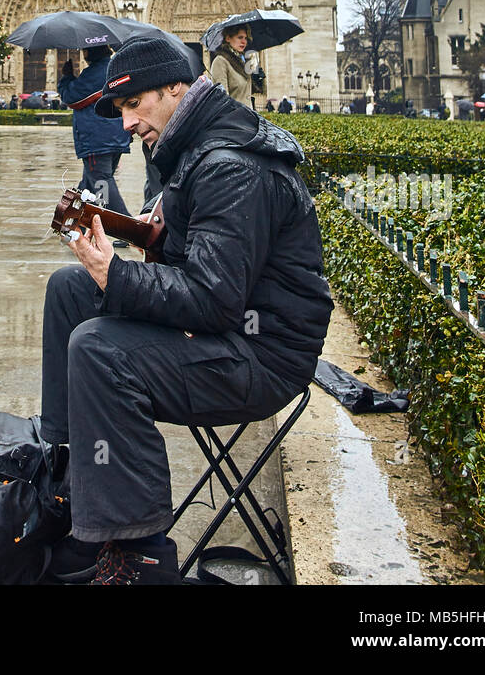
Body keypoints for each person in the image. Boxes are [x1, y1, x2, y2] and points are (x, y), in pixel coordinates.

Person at [41, 35, 333, 585]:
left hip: (262, 355)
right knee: (69, 292)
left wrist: (117, 272)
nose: (126, 124)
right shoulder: (196, 147)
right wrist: (151, 235)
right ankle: (72, 494)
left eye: (132, 105)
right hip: (235, 332)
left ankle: (137, 556)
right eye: (121, 111)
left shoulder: (229, 164)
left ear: (177, 87)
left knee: (100, 350)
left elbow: (212, 300)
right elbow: (205, 268)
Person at [58, 47, 132, 218]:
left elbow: (71, 97)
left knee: (101, 183)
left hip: (97, 139)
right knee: (89, 185)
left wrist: (67, 76)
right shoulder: (116, 68)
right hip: (115, 137)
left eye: (85, 51)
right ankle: (73, 225)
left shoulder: (96, 72)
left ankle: (128, 228)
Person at [209, 25, 254, 108]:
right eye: (240, 37)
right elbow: (222, 98)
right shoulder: (220, 61)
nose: (244, 41)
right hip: (233, 118)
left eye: (245, 38)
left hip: (248, 117)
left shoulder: (244, 62)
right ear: (228, 38)